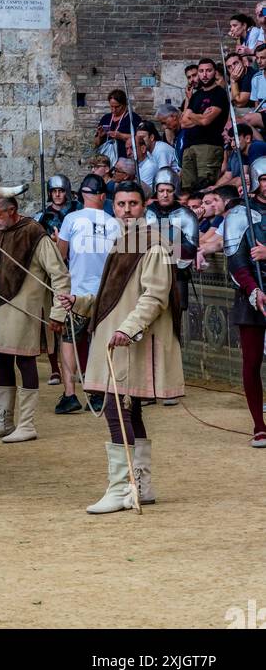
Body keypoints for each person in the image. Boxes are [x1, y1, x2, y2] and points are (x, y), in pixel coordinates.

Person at [59, 181, 184, 513]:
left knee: (117, 409)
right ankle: (141, 485)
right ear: (113, 207)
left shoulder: (154, 245)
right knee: (131, 410)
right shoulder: (123, 242)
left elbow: (154, 297)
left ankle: (122, 489)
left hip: (135, 342)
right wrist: (80, 302)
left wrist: (127, 329)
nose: (127, 210)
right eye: (121, 204)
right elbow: (112, 298)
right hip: (122, 339)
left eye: (133, 204)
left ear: (145, 206)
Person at [0, 195, 70, 444]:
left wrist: (58, 313)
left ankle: (27, 425)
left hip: (26, 308)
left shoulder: (34, 233)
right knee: (1, 361)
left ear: (12, 211)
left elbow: (59, 275)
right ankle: (3, 421)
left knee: (25, 362)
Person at [55, 176, 121, 415]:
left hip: (78, 293)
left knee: (69, 341)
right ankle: (96, 394)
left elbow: (60, 255)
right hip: (105, 294)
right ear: (103, 196)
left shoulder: (71, 219)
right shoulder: (114, 223)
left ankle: (70, 393)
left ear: (82, 195)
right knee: (99, 343)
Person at [225, 193, 266, 446]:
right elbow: (237, 262)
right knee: (251, 362)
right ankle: (259, 426)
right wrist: (253, 289)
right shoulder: (241, 214)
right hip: (252, 296)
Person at [180, 58, 230, 188]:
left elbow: (206, 121)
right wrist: (199, 117)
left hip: (209, 147)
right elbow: (184, 123)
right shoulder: (197, 95)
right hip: (189, 146)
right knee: (187, 188)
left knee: (205, 188)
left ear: (214, 72)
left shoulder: (220, 93)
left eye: (208, 70)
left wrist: (193, 116)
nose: (205, 74)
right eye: (201, 71)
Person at [94, 88, 142, 164]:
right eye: (111, 106)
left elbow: (140, 138)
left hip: (124, 159)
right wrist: (100, 136)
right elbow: (96, 144)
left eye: (117, 107)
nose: (113, 110)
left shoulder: (133, 118)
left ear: (124, 105)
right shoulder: (106, 118)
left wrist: (121, 136)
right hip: (105, 160)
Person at [37, 173, 78, 238]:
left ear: (67, 192)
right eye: (54, 191)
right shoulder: (43, 216)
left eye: (61, 191)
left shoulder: (76, 209)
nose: (57, 194)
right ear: (50, 193)